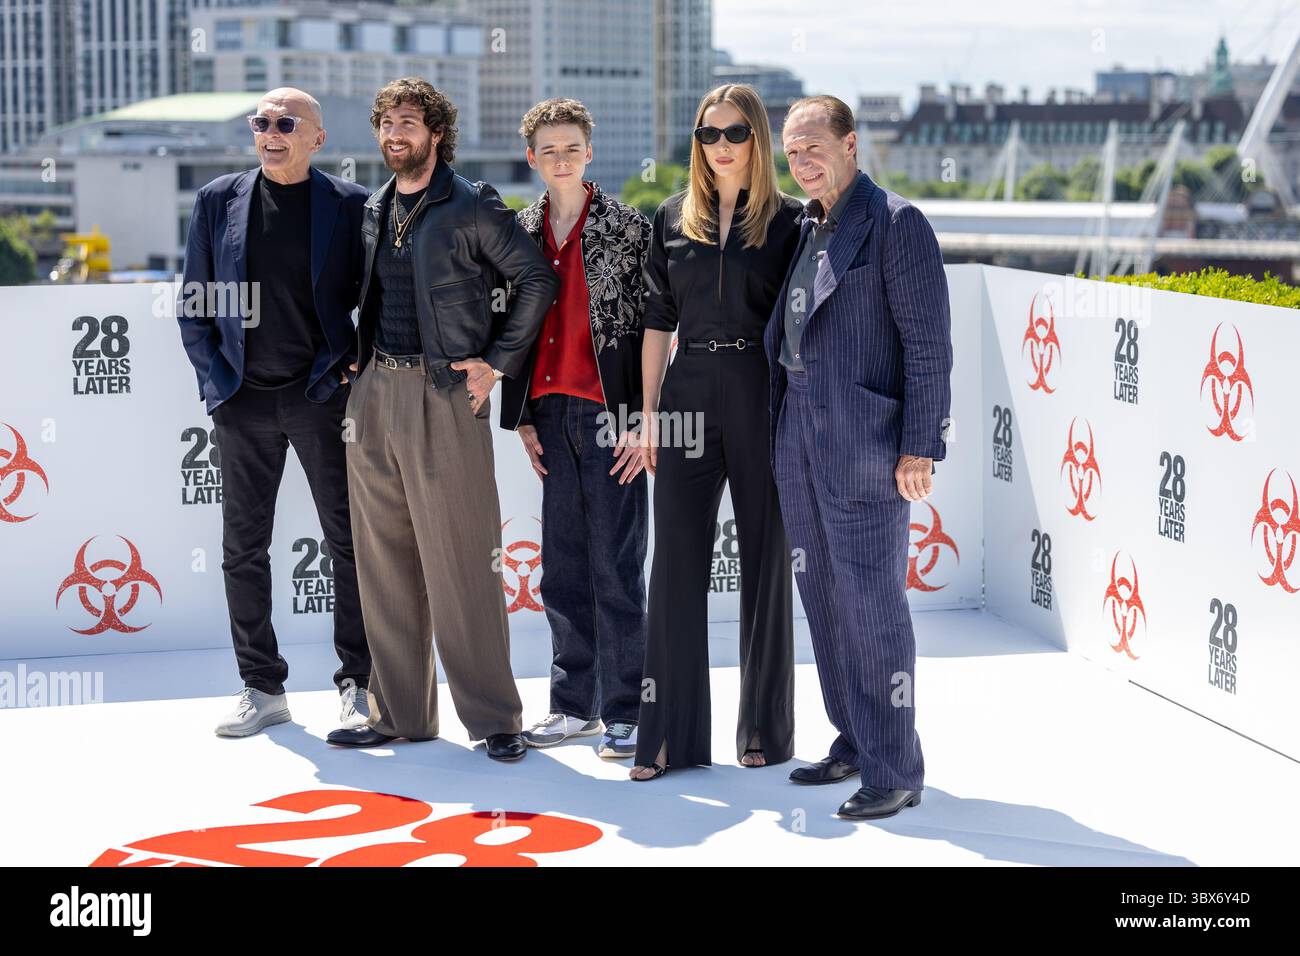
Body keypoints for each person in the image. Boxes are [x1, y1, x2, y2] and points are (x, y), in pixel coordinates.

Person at [323, 78, 559, 761]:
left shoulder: (469, 203)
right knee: (384, 563)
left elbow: (536, 278)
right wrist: (352, 366)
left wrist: (496, 362)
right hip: (374, 397)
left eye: (409, 122)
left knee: (463, 562)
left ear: (435, 133)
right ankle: (398, 714)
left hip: (444, 392)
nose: (396, 133)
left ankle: (495, 720)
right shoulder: (374, 207)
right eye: (387, 122)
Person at [767, 95, 953, 819]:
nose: (803, 160)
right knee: (825, 600)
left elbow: (929, 345)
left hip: (866, 443)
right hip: (800, 436)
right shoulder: (810, 224)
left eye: (815, 145)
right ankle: (853, 739)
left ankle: (895, 768)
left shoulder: (897, 223)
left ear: (851, 144)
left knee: (873, 606)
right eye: (792, 150)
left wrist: (918, 446)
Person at [177, 88, 372, 738]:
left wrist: (347, 364)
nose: (270, 133)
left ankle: (358, 686)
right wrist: (219, 387)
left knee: (349, 544)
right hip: (244, 400)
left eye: (285, 124)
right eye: (260, 123)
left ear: (316, 137)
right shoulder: (216, 201)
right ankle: (263, 688)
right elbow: (195, 305)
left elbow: (375, 300)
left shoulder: (348, 206)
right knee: (242, 550)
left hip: (320, 397)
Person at [629, 84, 803, 781]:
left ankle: (763, 729)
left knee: (765, 564)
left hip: (761, 396)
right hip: (688, 394)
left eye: (735, 133)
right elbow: (654, 323)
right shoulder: (671, 218)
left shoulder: (792, 223)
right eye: (708, 134)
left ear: (757, 140)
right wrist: (646, 414)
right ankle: (666, 736)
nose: (721, 145)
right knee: (673, 564)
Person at [499, 99, 653, 759]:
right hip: (550, 411)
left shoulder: (627, 226)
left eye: (572, 148)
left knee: (616, 567)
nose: (561, 159)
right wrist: (521, 415)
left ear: (589, 153)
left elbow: (656, 326)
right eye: (548, 150)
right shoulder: (517, 230)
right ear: (531, 158)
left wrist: (647, 416)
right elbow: (504, 327)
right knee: (562, 568)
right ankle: (572, 706)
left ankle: (628, 711)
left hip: (610, 414)